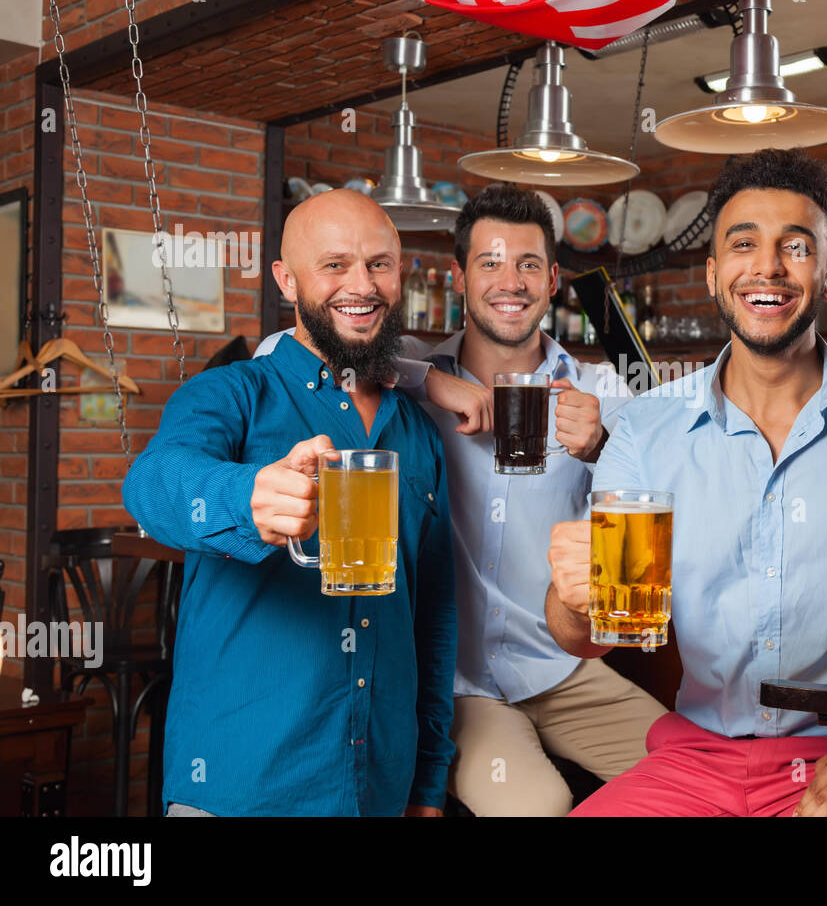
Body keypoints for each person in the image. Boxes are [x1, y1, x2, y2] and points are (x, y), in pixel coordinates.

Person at [546, 148, 827, 817]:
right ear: (713, 274)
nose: (768, 267)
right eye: (743, 244)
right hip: (696, 761)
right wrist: (571, 601)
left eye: (796, 246)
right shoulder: (643, 429)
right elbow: (592, 635)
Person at [256, 185, 665, 816]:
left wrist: (602, 446)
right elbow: (275, 354)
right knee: (539, 807)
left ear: (554, 280)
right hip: (458, 683)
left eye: (529, 264)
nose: (511, 281)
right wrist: (430, 380)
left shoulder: (601, 389)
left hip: (561, 665)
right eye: (490, 262)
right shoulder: (401, 378)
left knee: (702, 777)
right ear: (459, 277)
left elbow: (671, 492)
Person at [123, 189, 457, 816]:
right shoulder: (230, 393)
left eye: (379, 264)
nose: (362, 285)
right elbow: (151, 483)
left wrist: (427, 782)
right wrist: (244, 496)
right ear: (286, 280)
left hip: (381, 789)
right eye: (334, 264)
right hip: (243, 788)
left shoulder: (418, 430)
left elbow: (433, 616)